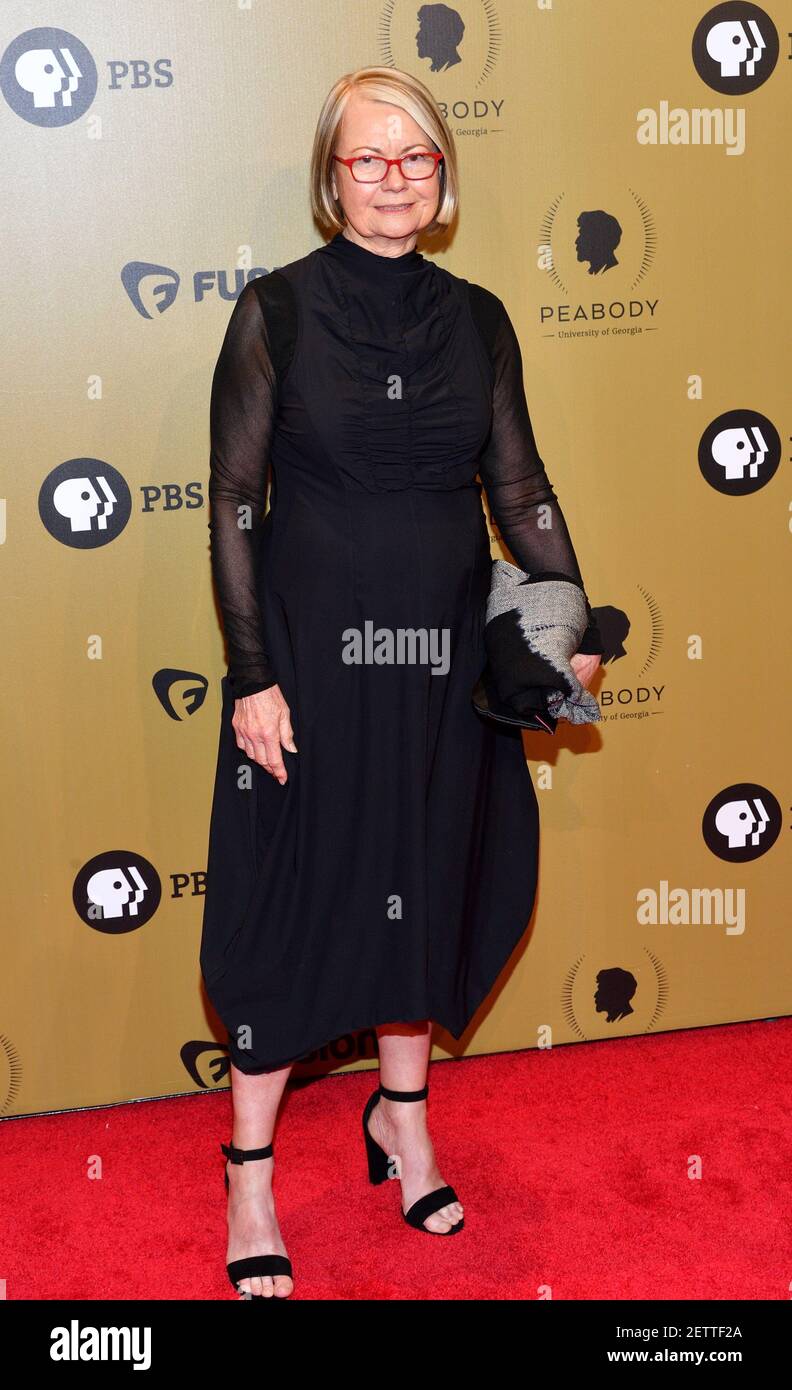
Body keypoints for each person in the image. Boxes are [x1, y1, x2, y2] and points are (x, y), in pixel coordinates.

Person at [200, 65, 603, 1300]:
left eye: (415, 159)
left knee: (420, 878)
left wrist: (566, 624)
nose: (392, 178)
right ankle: (253, 1173)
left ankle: (403, 1121)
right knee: (294, 896)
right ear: (333, 179)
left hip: (437, 649)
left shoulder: (479, 318)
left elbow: (521, 492)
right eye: (368, 158)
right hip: (313, 656)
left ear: (443, 179)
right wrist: (254, 676)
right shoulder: (278, 311)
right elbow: (230, 502)